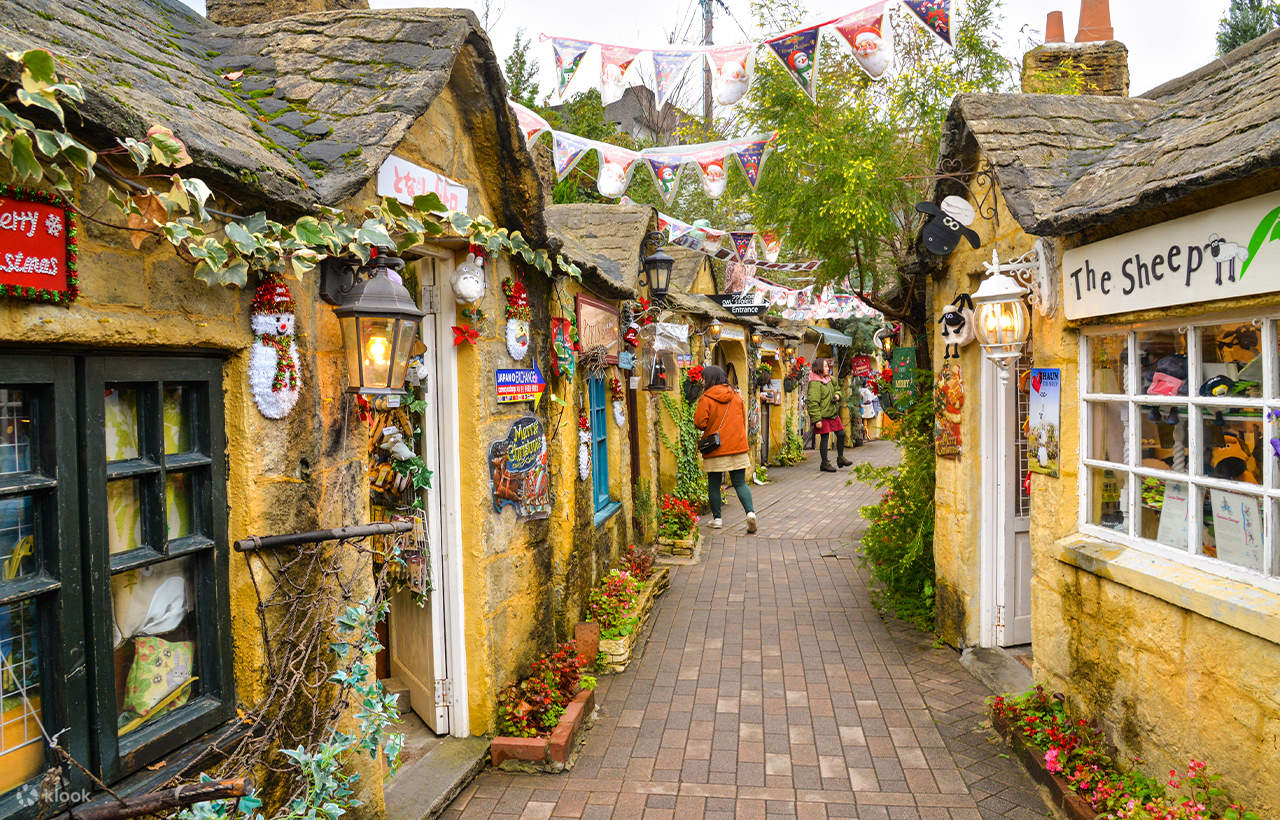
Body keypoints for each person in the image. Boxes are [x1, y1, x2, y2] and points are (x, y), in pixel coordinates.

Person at [693, 365, 757, 532]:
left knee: (714, 484)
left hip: (715, 447)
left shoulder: (706, 398)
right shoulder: (736, 396)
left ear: (710, 379)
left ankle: (718, 519)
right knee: (740, 483)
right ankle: (750, 513)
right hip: (737, 446)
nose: (703, 381)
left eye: (704, 378)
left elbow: (699, 423)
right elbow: (743, 420)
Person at [806, 358, 851, 472]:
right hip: (822, 415)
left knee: (841, 434)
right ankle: (824, 463)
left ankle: (840, 458)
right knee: (825, 438)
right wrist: (817, 419)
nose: (828, 368)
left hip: (832, 413)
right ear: (819, 368)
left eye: (827, 366)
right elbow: (812, 402)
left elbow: (837, 390)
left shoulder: (830, 379)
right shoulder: (815, 384)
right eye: (825, 366)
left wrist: (837, 396)